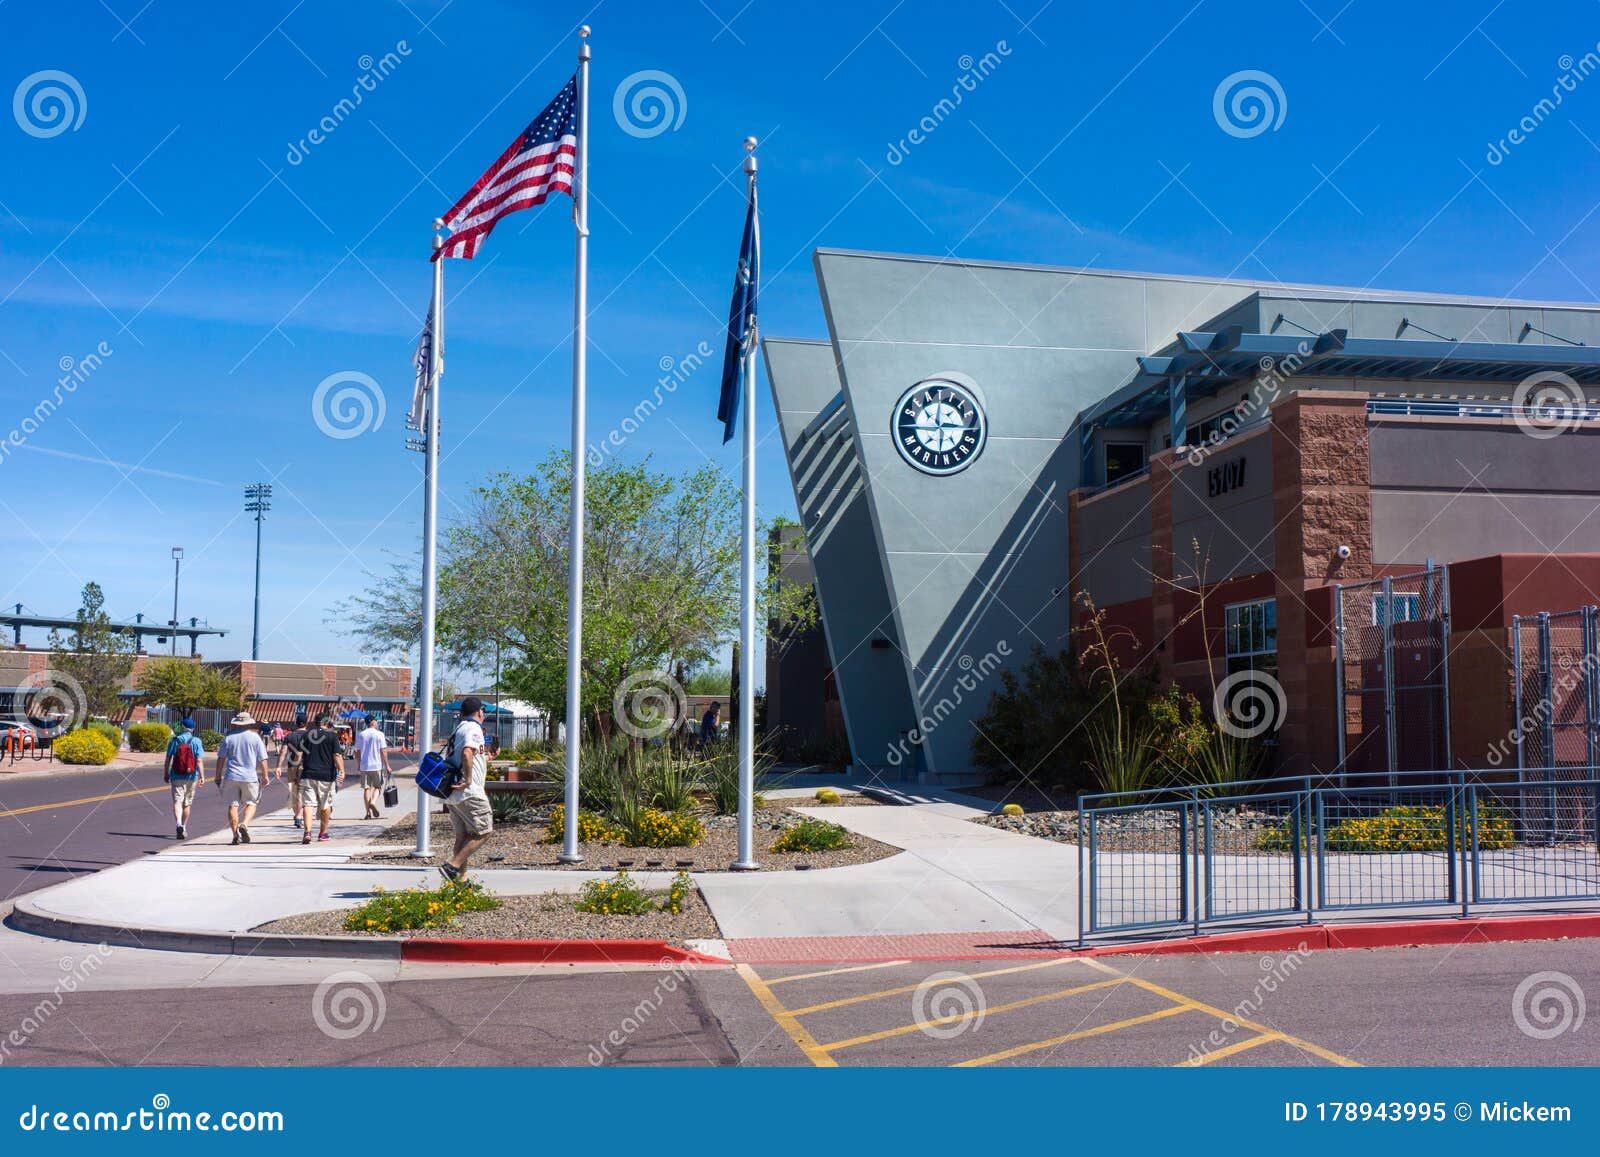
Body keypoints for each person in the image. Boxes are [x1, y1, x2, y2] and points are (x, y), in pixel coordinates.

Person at [439, 696, 492, 882]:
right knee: (484, 831)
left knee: (462, 837)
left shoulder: (459, 728)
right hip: (469, 792)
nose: (483, 714)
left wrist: (487, 757)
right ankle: (452, 866)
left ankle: (461, 880)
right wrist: (469, 780)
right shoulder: (473, 727)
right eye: (483, 710)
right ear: (479, 712)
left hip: (453, 794)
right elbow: (467, 752)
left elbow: (469, 755)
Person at [215, 710, 270, 845]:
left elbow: (221, 758)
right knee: (252, 802)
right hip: (249, 776)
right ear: (249, 723)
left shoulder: (229, 738)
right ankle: (244, 823)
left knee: (233, 805)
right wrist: (265, 775)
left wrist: (218, 775)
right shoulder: (255, 737)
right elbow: (263, 759)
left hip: (231, 775)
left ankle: (235, 834)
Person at [296, 713, 345, 844]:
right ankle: (323, 833)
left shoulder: (307, 735)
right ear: (327, 722)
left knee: (308, 804)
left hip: (308, 774)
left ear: (314, 722)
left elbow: (299, 755)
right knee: (326, 804)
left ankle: (307, 832)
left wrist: (295, 771)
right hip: (326, 776)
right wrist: (342, 771)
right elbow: (337, 755)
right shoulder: (332, 736)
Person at [163, 717, 205, 840]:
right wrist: (202, 776)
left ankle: (178, 824)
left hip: (176, 775)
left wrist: (166, 774)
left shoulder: (174, 740)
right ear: (193, 728)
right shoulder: (196, 741)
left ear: (182, 727)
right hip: (191, 776)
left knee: (177, 801)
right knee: (187, 803)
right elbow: (199, 760)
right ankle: (184, 827)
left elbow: (168, 759)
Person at [355, 714, 391, 819]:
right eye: (376, 720)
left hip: (364, 766)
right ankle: (373, 802)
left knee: (366, 789)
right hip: (376, 766)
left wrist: (359, 764)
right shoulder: (380, 734)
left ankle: (367, 813)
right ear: (372, 722)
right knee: (378, 787)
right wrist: (387, 765)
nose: (377, 722)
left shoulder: (361, 735)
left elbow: (357, 751)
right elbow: (383, 751)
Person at [276, 719, 306, 828]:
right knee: (301, 792)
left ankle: (297, 814)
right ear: (306, 723)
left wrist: (279, 766)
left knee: (293, 791)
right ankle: (299, 816)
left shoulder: (289, 736)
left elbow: (283, 751)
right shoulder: (309, 736)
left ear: (296, 724)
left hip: (292, 766)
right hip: (305, 766)